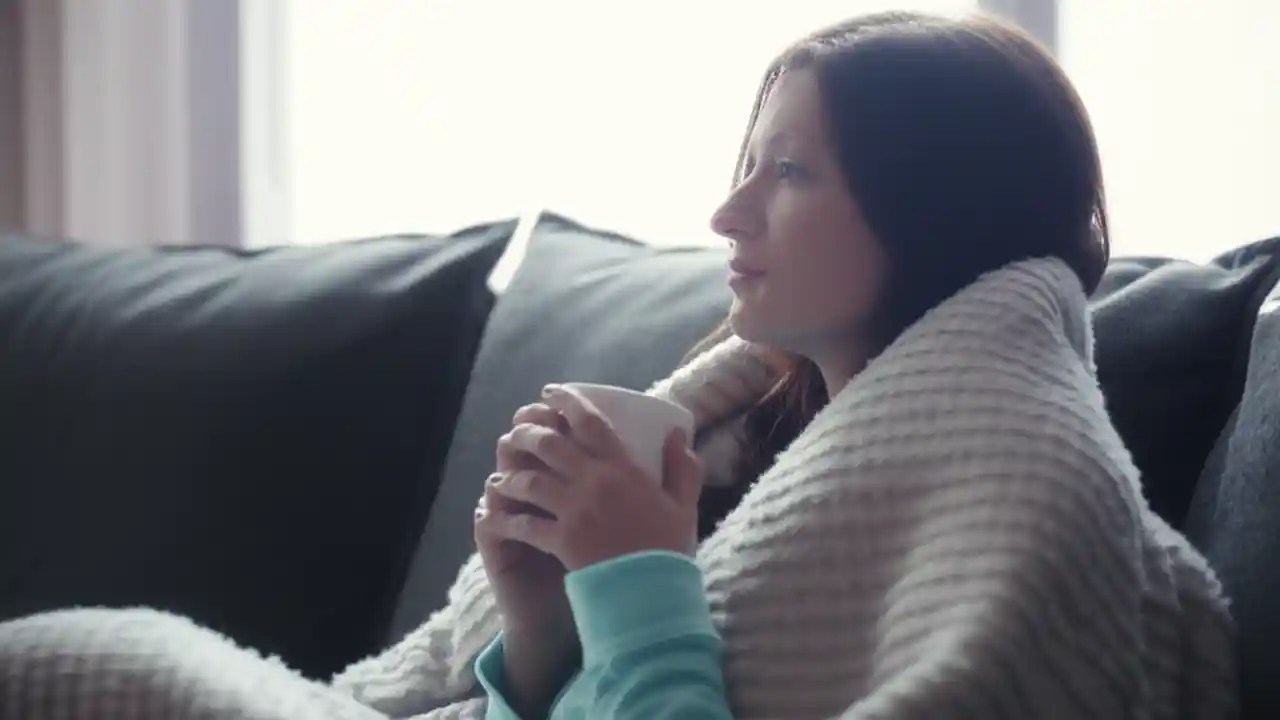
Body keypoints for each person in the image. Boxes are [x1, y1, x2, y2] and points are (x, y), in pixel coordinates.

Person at [0, 10, 1235, 720]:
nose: (728, 214)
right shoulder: (756, 437)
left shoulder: (1024, 486)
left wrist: (637, 578)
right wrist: (543, 625)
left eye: (789, 172)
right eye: (747, 164)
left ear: (938, 202)